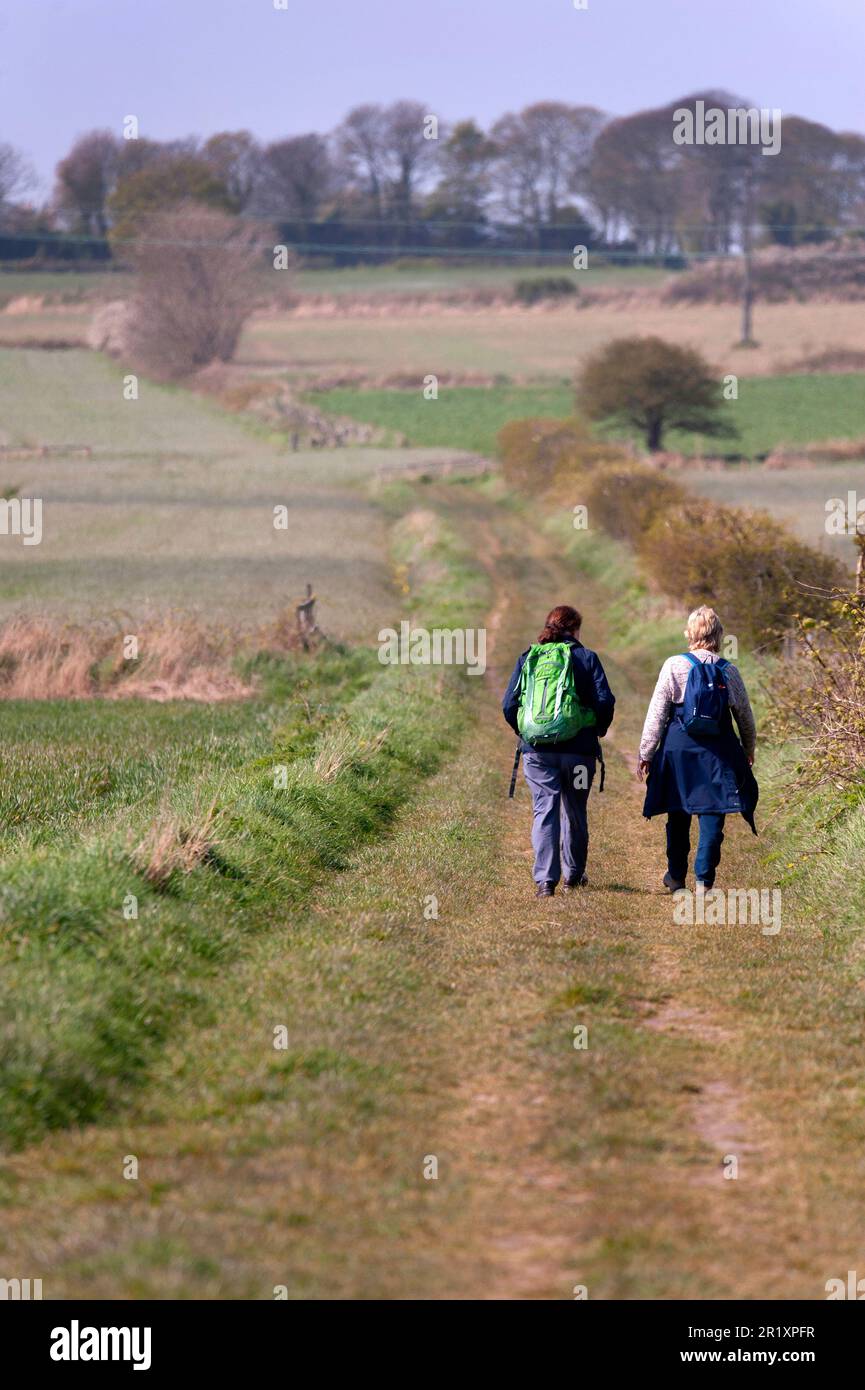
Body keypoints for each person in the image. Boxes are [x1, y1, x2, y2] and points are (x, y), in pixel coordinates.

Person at [638, 605, 758, 891]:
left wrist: (646, 752)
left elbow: (657, 713)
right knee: (712, 813)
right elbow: (745, 716)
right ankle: (704, 879)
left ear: (689, 634)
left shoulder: (674, 665)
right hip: (718, 752)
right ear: (718, 635)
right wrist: (749, 748)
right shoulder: (728, 671)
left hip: (678, 750)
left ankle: (676, 877)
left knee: (678, 812)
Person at [502, 604, 615, 898]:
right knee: (575, 810)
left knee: (544, 809)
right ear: (576, 630)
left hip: (538, 754)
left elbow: (509, 705)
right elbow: (605, 701)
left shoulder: (530, 657)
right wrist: (596, 731)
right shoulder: (587, 658)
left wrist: (527, 732)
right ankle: (572, 876)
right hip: (580, 755)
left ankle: (545, 881)